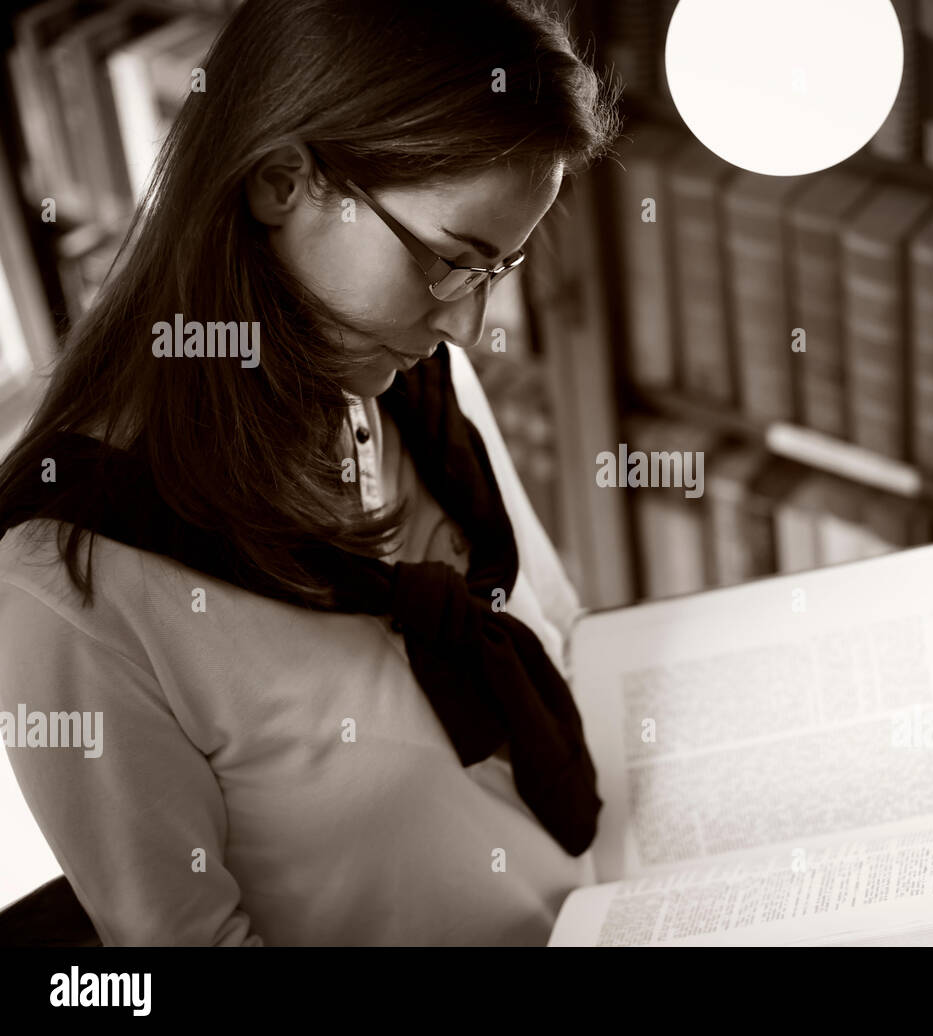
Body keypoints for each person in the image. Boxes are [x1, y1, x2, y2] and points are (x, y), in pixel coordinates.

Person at [0, 0, 622, 946]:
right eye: (450, 261)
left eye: (500, 266)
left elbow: (556, 627)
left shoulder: (415, 377)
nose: (467, 324)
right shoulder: (67, 578)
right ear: (281, 182)